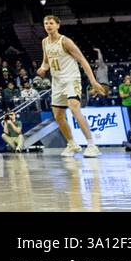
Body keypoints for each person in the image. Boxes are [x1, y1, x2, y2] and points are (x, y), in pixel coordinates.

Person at [37, 15, 106, 158]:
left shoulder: (65, 41)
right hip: (57, 82)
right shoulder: (45, 42)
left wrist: (93, 81)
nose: (48, 25)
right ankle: (72, 144)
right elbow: (46, 61)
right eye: (45, 23)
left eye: (51, 23)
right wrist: (43, 68)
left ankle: (92, 145)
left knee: (74, 108)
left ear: (57, 25)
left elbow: (82, 60)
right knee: (58, 115)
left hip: (71, 79)